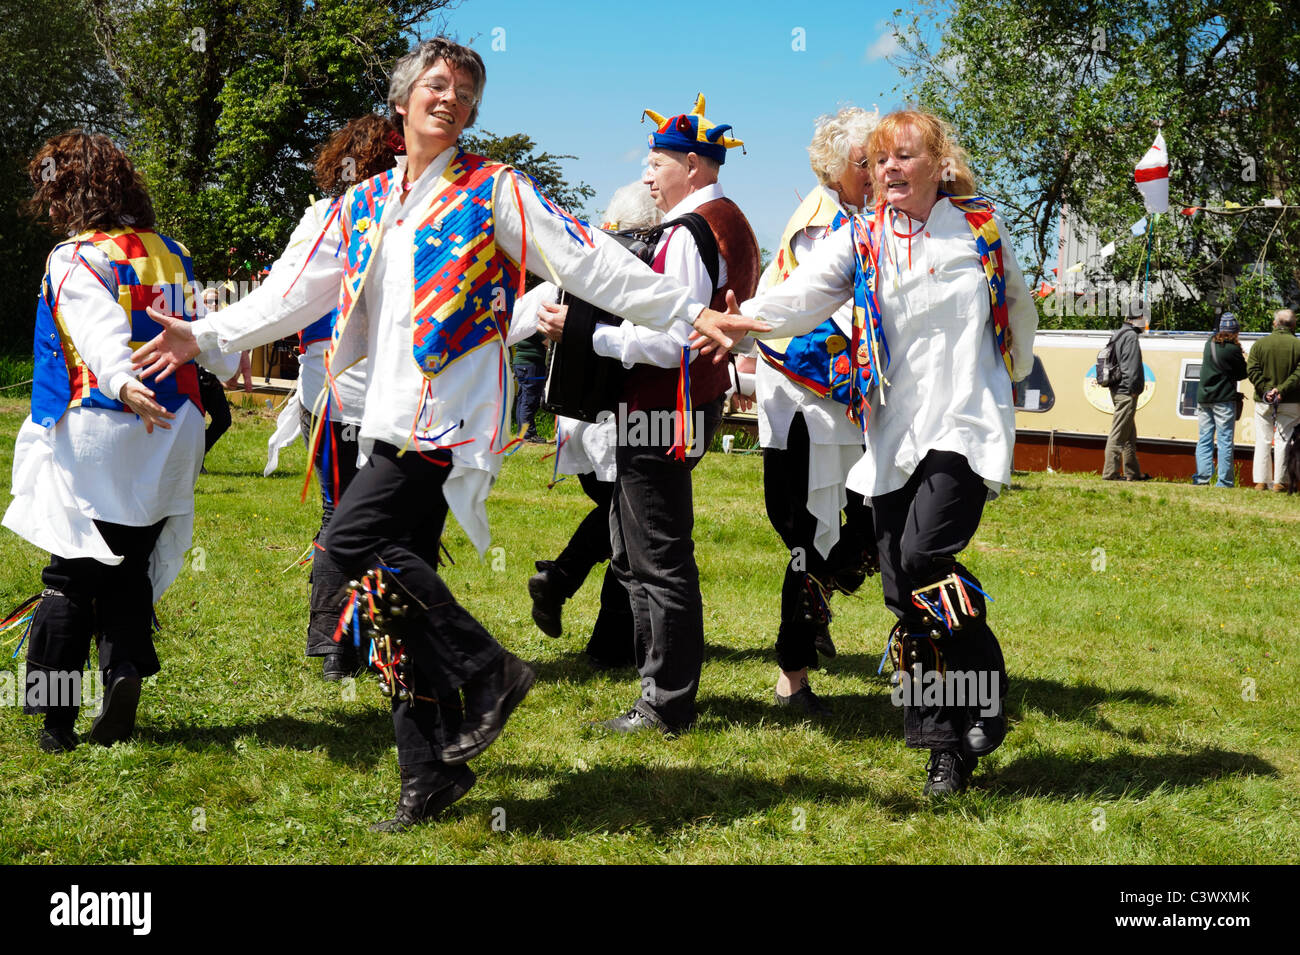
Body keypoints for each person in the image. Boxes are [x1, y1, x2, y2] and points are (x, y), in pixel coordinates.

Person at [132, 38, 713, 829]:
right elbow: (291, 293)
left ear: (472, 112)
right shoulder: (364, 203)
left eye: (465, 90)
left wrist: (684, 308)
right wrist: (202, 336)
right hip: (386, 415)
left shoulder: (493, 189)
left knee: (345, 546)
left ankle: (487, 669)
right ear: (402, 100)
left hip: (446, 415)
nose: (450, 97)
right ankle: (428, 771)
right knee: (385, 595)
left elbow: (586, 262)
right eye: (436, 84)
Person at [692, 109, 1038, 795]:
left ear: (941, 163)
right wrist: (743, 321)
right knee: (901, 590)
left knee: (920, 558)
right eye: (881, 160)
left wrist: (1011, 381)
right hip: (891, 433)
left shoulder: (982, 229)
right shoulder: (864, 236)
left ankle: (976, 697)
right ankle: (948, 739)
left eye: (906, 157)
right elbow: (802, 295)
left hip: (966, 424)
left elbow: (1019, 314)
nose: (890, 170)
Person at [4, 131, 238, 752]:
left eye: (52, 193)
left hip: (99, 419)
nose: (49, 208)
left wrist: (120, 378)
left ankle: (56, 723)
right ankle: (124, 673)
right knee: (128, 563)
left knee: (72, 568)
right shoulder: (173, 251)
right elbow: (215, 337)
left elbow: (94, 325)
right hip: (174, 424)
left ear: (72, 192)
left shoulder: (76, 255)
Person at [539, 95, 760, 736]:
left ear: (693, 166)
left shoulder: (691, 231)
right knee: (634, 551)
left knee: (656, 559)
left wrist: (587, 338)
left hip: (663, 408)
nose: (645, 177)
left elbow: (674, 340)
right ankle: (655, 689)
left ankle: (664, 703)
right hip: (678, 405)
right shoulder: (729, 221)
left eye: (656, 163)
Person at [753, 106, 880, 717]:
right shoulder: (825, 223)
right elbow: (814, 309)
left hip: (823, 406)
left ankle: (812, 620)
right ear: (837, 165)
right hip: (810, 405)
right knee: (812, 535)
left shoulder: (850, 217)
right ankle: (792, 677)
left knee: (848, 532)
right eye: (867, 162)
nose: (877, 172)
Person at [524, 181, 661, 669]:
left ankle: (575, 598)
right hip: (616, 416)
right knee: (628, 523)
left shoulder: (581, 257)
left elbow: (535, 313)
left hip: (577, 414)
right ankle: (575, 598)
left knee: (620, 518)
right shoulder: (639, 265)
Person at [1245, 308, 1300, 491]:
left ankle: (1261, 481)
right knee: (1283, 440)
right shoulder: (1298, 345)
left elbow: (1252, 370)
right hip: (1290, 400)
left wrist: (1267, 390)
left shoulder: (1259, 345)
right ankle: (1279, 482)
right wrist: (1281, 390)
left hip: (1263, 401)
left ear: (1275, 324)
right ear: (1293, 326)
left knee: (1263, 439)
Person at [1193, 312, 1247, 487]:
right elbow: (1242, 373)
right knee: (1224, 441)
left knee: (1204, 439)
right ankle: (1224, 482)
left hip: (1204, 398)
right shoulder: (1233, 349)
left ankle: (1202, 479)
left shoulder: (1208, 344)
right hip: (1223, 399)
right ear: (1235, 332)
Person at [1102, 315, 1151, 481]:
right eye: (1144, 319)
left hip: (1117, 389)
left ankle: (1133, 473)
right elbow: (1131, 366)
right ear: (1135, 318)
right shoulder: (1130, 336)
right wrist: (1134, 389)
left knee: (1129, 434)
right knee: (1118, 433)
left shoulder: (1118, 333)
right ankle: (1110, 473)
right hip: (1126, 391)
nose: (1146, 323)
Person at [511, 328, 547, 442]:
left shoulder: (520, 324)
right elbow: (547, 341)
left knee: (523, 400)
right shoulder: (532, 325)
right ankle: (528, 434)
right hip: (531, 365)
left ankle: (522, 432)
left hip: (522, 364)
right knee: (530, 400)